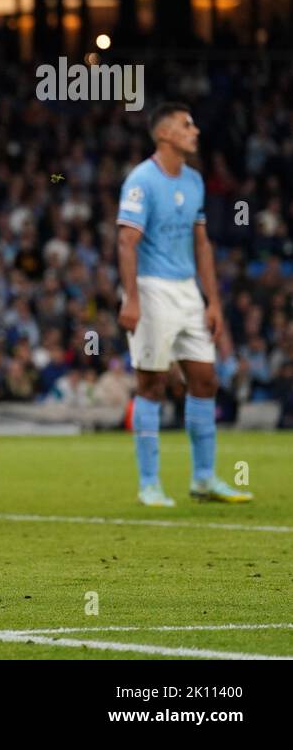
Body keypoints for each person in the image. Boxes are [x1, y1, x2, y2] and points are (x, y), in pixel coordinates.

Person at [116, 103, 252, 506]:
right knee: (152, 384)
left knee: (206, 379)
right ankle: (149, 483)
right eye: (185, 124)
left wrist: (214, 302)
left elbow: (201, 243)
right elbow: (126, 240)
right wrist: (133, 298)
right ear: (164, 136)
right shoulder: (141, 179)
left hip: (187, 290)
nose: (195, 130)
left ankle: (204, 478)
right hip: (152, 288)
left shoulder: (193, 180)